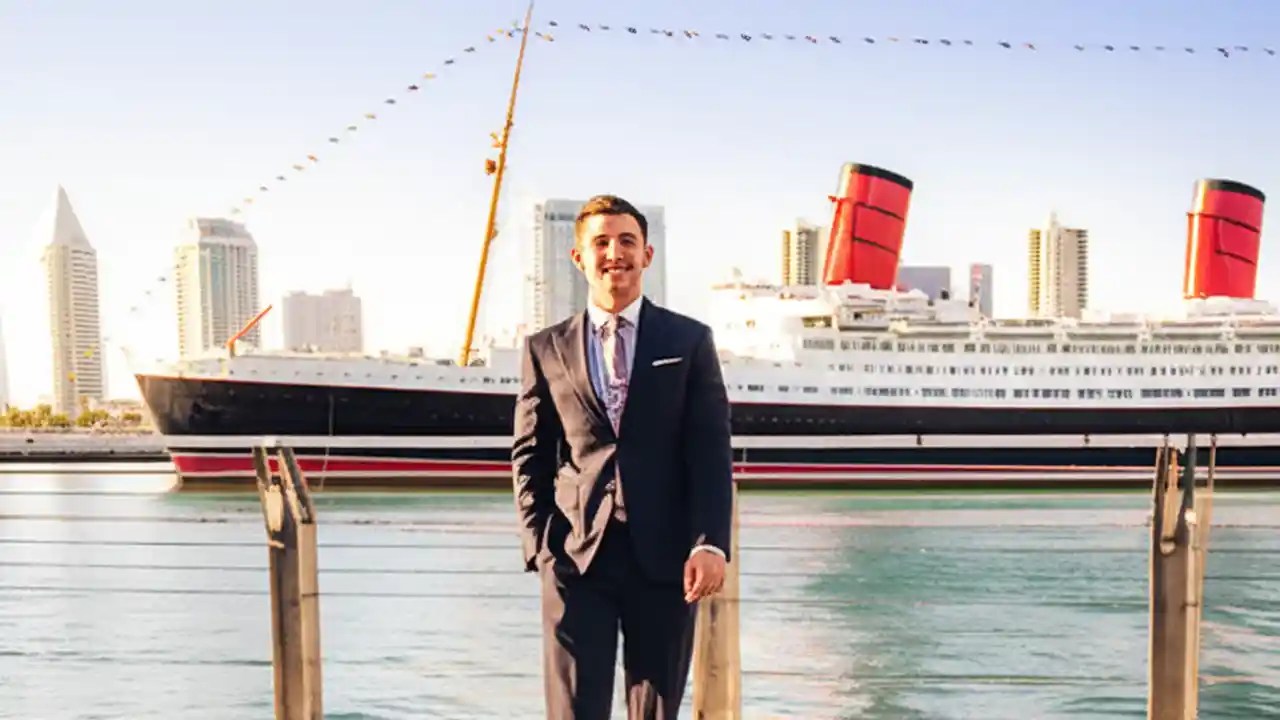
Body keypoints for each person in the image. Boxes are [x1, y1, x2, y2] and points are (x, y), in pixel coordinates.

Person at [511, 194, 735, 719]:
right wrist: (540, 545)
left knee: (656, 711)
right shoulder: (545, 347)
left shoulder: (689, 339)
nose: (616, 252)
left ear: (647, 254)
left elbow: (709, 452)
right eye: (602, 242)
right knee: (573, 712)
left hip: (666, 558)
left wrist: (710, 545)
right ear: (579, 257)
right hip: (574, 555)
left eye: (628, 241)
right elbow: (530, 453)